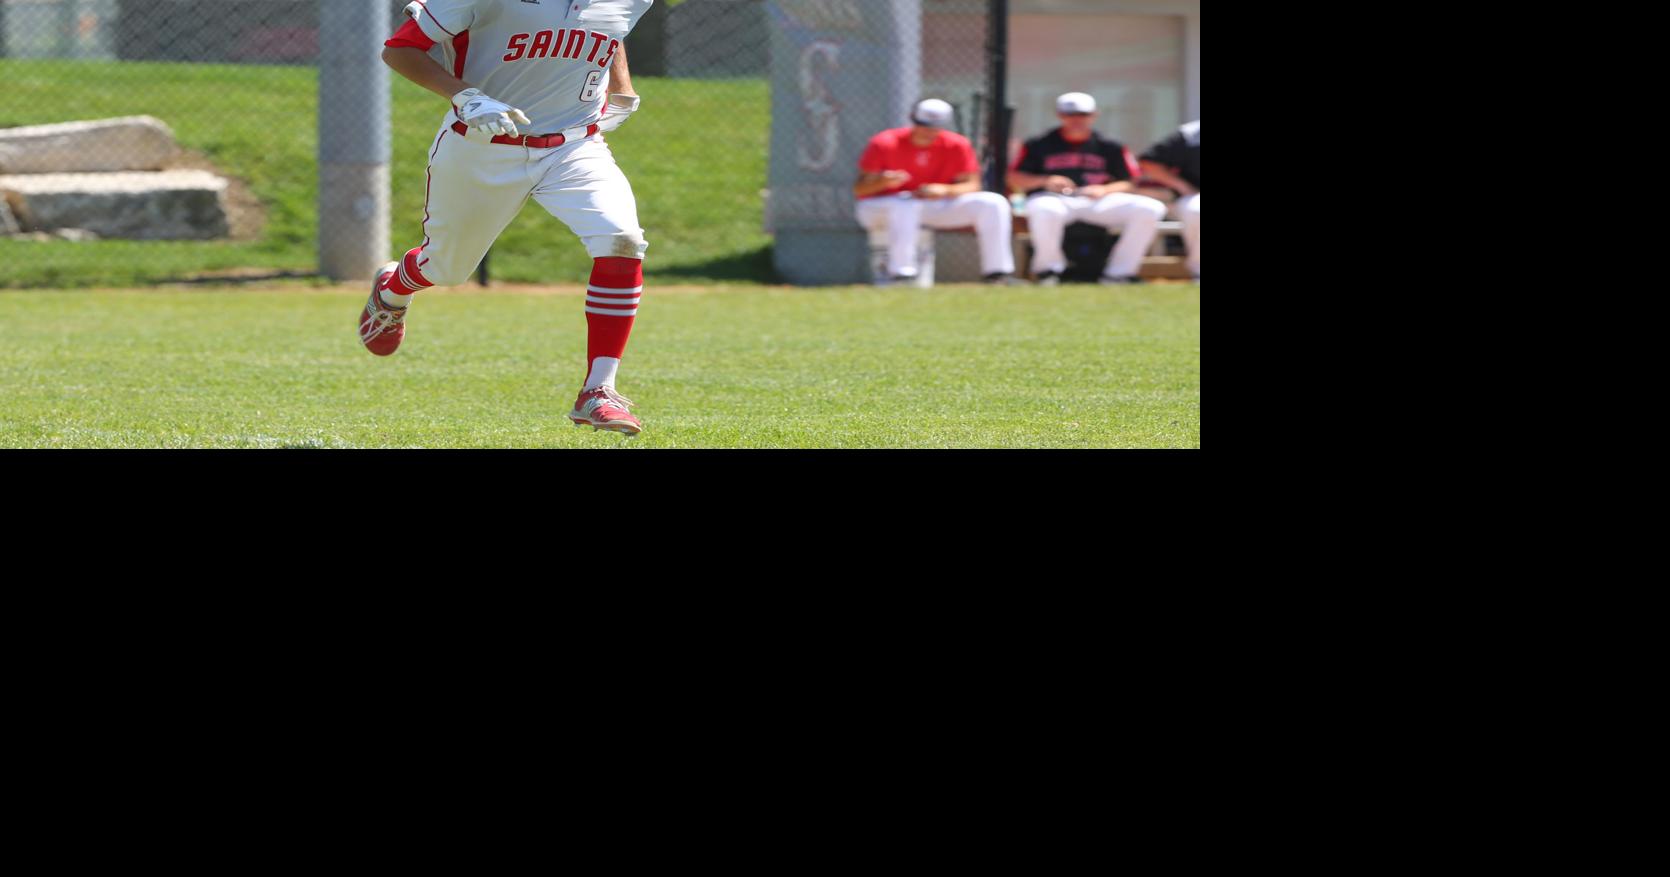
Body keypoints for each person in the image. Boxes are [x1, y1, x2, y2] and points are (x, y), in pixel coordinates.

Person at [363, 0, 655, 436]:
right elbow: (399, 50)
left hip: (574, 145)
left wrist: (621, 87)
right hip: (481, 143)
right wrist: (466, 96)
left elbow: (610, 30)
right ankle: (394, 288)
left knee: (622, 239)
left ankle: (599, 390)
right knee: (446, 268)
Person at [1007, 92, 1167, 286]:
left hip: (1097, 201)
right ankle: (1048, 271)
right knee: (1045, 209)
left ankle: (1119, 273)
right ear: (1060, 115)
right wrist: (1045, 180)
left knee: (1150, 208)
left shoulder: (1110, 146)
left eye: (1082, 115)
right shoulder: (1038, 144)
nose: (1076, 120)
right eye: (1070, 115)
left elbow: (1131, 182)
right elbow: (1014, 176)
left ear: (1094, 115)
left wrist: (1104, 190)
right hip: (1054, 199)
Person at [853, 99, 1018, 285]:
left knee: (993, 202)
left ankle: (997, 273)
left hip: (931, 206)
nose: (928, 131)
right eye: (923, 125)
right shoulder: (884, 142)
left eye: (934, 127)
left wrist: (945, 190)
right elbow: (860, 189)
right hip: (880, 207)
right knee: (905, 205)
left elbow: (972, 185)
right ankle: (902, 274)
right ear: (912, 120)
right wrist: (883, 180)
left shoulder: (957, 144)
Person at [1139, 120, 1200, 281]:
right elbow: (1149, 161)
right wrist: (1183, 186)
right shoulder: (1191, 133)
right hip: (1195, 195)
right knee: (1197, 210)